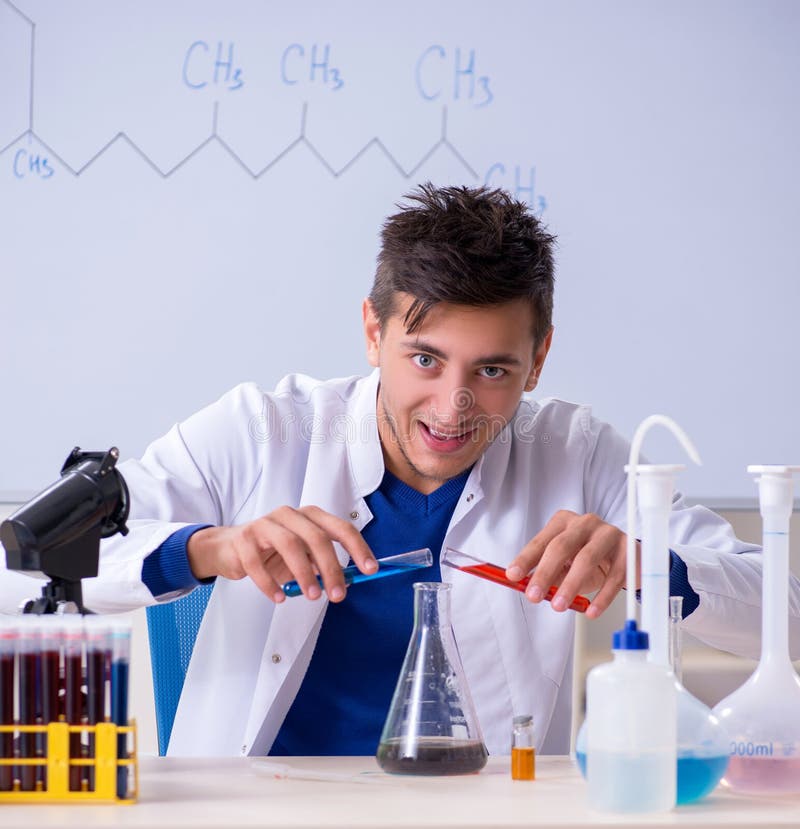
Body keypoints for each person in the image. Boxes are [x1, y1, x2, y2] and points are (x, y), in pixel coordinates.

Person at [1, 184, 795, 758]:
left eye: (493, 370)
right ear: (372, 330)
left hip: (488, 810)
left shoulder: (578, 451)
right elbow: (20, 562)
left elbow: (782, 610)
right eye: (424, 358)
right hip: (263, 806)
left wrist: (650, 566)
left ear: (540, 358)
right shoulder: (262, 428)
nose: (453, 409)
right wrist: (210, 550)